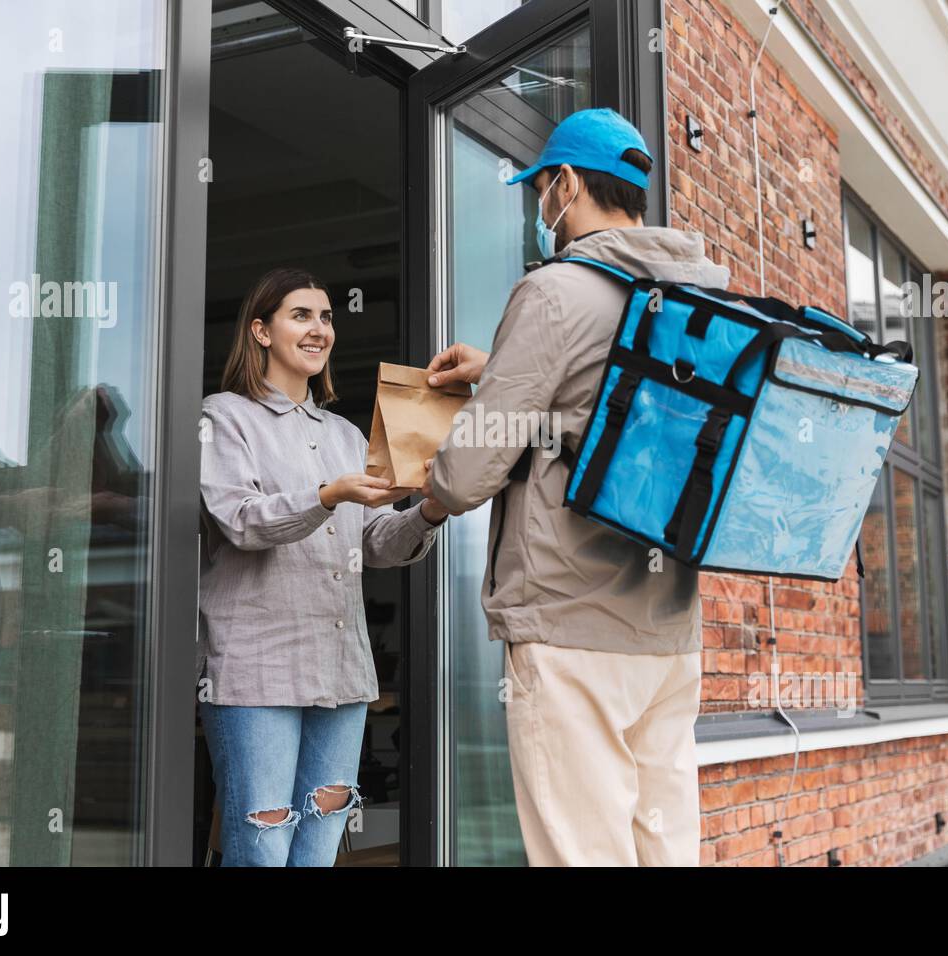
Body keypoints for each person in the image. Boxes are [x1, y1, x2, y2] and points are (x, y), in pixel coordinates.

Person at [422, 108, 730, 866]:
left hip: (568, 626)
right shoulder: (695, 301)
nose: (539, 210)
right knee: (665, 850)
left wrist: (414, 507)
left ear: (563, 185)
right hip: (668, 632)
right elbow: (607, 402)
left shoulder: (556, 289)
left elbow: (466, 474)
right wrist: (501, 369)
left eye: (540, 192)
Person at [198, 266, 449, 866]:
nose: (320, 329)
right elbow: (241, 520)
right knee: (263, 848)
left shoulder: (344, 434)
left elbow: (376, 543)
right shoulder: (222, 416)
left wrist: (431, 511)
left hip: (341, 672)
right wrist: (328, 494)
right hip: (255, 672)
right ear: (260, 331)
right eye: (302, 315)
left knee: (317, 848)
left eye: (328, 317)